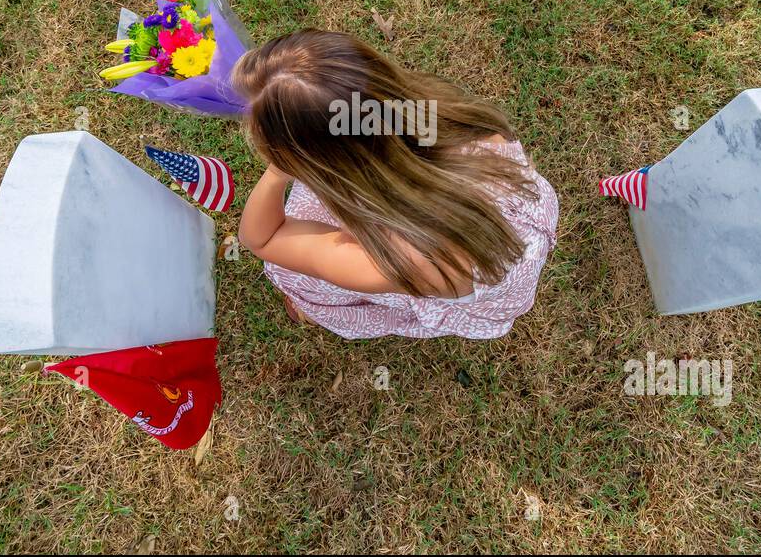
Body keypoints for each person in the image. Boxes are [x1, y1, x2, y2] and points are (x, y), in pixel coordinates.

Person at [234, 29, 557, 340]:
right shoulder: (446, 119)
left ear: (315, 165)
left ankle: (311, 308)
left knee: (290, 272)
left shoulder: (403, 257)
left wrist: (278, 173)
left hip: (456, 264)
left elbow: (262, 238)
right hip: (507, 228)